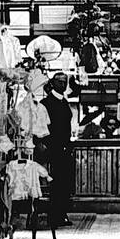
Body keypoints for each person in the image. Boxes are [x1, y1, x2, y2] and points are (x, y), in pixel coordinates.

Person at [40, 73, 74, 227]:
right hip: (53, 147)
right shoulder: (46, 103)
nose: (63, 85)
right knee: (56, 182)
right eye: (60, 82)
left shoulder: (64, 101)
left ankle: (61, 213)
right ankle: (54, 214)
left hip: (65, 147)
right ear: (53, 83)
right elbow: (43, 127)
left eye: (65, 82)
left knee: (65, 182)